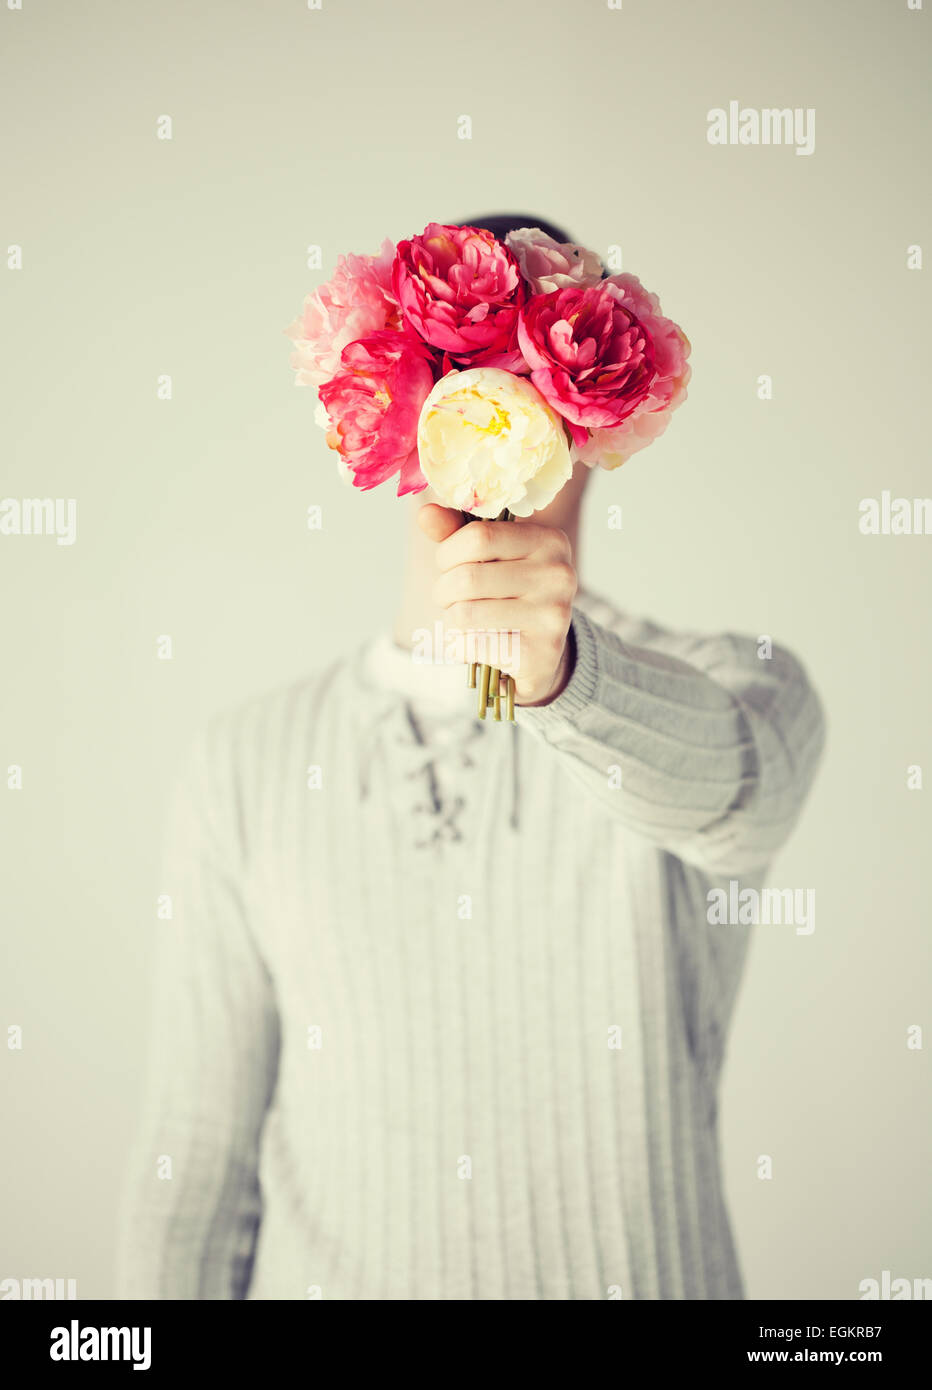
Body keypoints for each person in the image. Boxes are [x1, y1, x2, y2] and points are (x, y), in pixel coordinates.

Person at [115, 214, 826, 1300]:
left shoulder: (733, 687)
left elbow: (738, 796)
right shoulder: (245, 765)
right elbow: (194, 1172)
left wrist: (560, 676)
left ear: (595, 422)